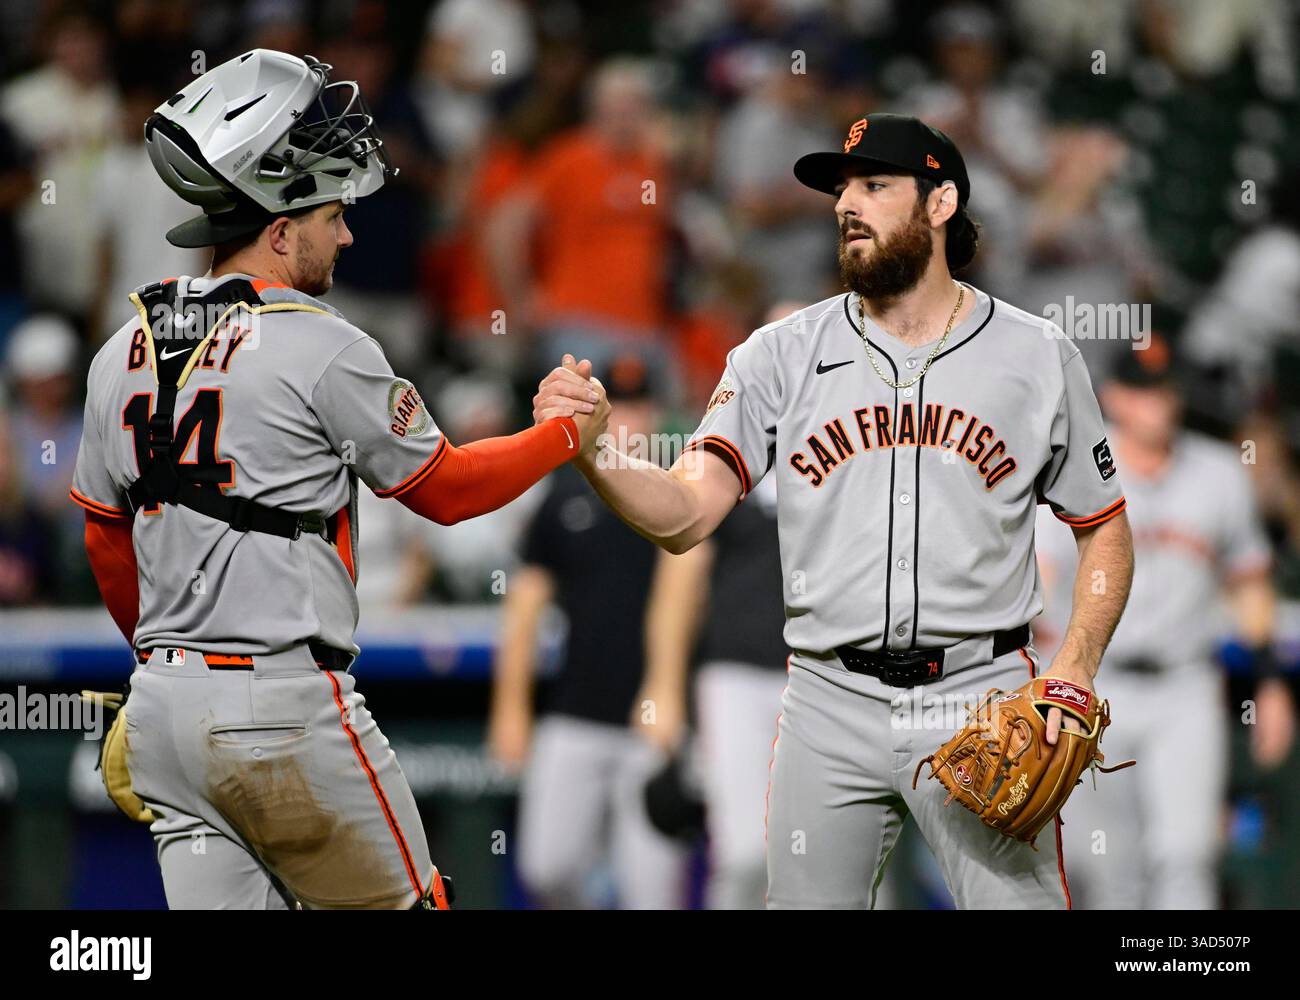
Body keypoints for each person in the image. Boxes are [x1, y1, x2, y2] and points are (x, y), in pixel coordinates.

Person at [533, 112, 1136, 909]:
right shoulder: (777, 353)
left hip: (981, 692)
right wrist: (599, 454)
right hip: (828, 699)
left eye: (875, 185)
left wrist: (1075, 668)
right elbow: (685, 513)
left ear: (941, 203)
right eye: (841, 187)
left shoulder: (1035, 353)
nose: (848, 202)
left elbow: (1104, 529)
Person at [69, 49, 608, 910]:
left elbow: (104, 536)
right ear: (280, 230)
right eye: (330, 215)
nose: (347, 234)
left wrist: (162, 661)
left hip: (163, 709)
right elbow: (447, 490)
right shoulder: (322, 341)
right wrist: (561, 435)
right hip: (282, 704)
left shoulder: (116, 351)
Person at [1038, 338, 1295, 909]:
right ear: (1115, 398)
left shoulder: (1221, 472)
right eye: (1144, 391)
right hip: (1096, 690)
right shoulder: (1072, 469)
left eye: (1165, 389)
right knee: (1108, 868)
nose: (1159, 404)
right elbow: (1037, 586)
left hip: (1186, 686)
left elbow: (1250, 583)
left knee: (1187, 857)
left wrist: (1270, 682)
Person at [489, 357, 687, 908]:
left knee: (652, 893)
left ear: (657, 414)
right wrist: (511, 710)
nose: (627, 419)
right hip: (574, 711)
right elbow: (524, 608)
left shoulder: (680, 498)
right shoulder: (564, 497)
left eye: (638, 406)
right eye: (617, 405)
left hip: (652, 724)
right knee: (546, 868)